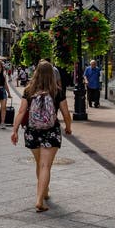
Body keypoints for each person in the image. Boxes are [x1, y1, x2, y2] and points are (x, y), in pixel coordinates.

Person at [11, 60, 72, 212]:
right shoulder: (57, 91)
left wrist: (14, 130)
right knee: (46, 165)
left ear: (36, 73)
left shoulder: (29, 90)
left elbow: (21, 111)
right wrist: (68, 128)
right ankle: (40, 199)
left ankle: (44, 191)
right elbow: (66, 113)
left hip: (33, 132)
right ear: (52, 74)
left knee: (39, 164)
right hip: (51, 131)